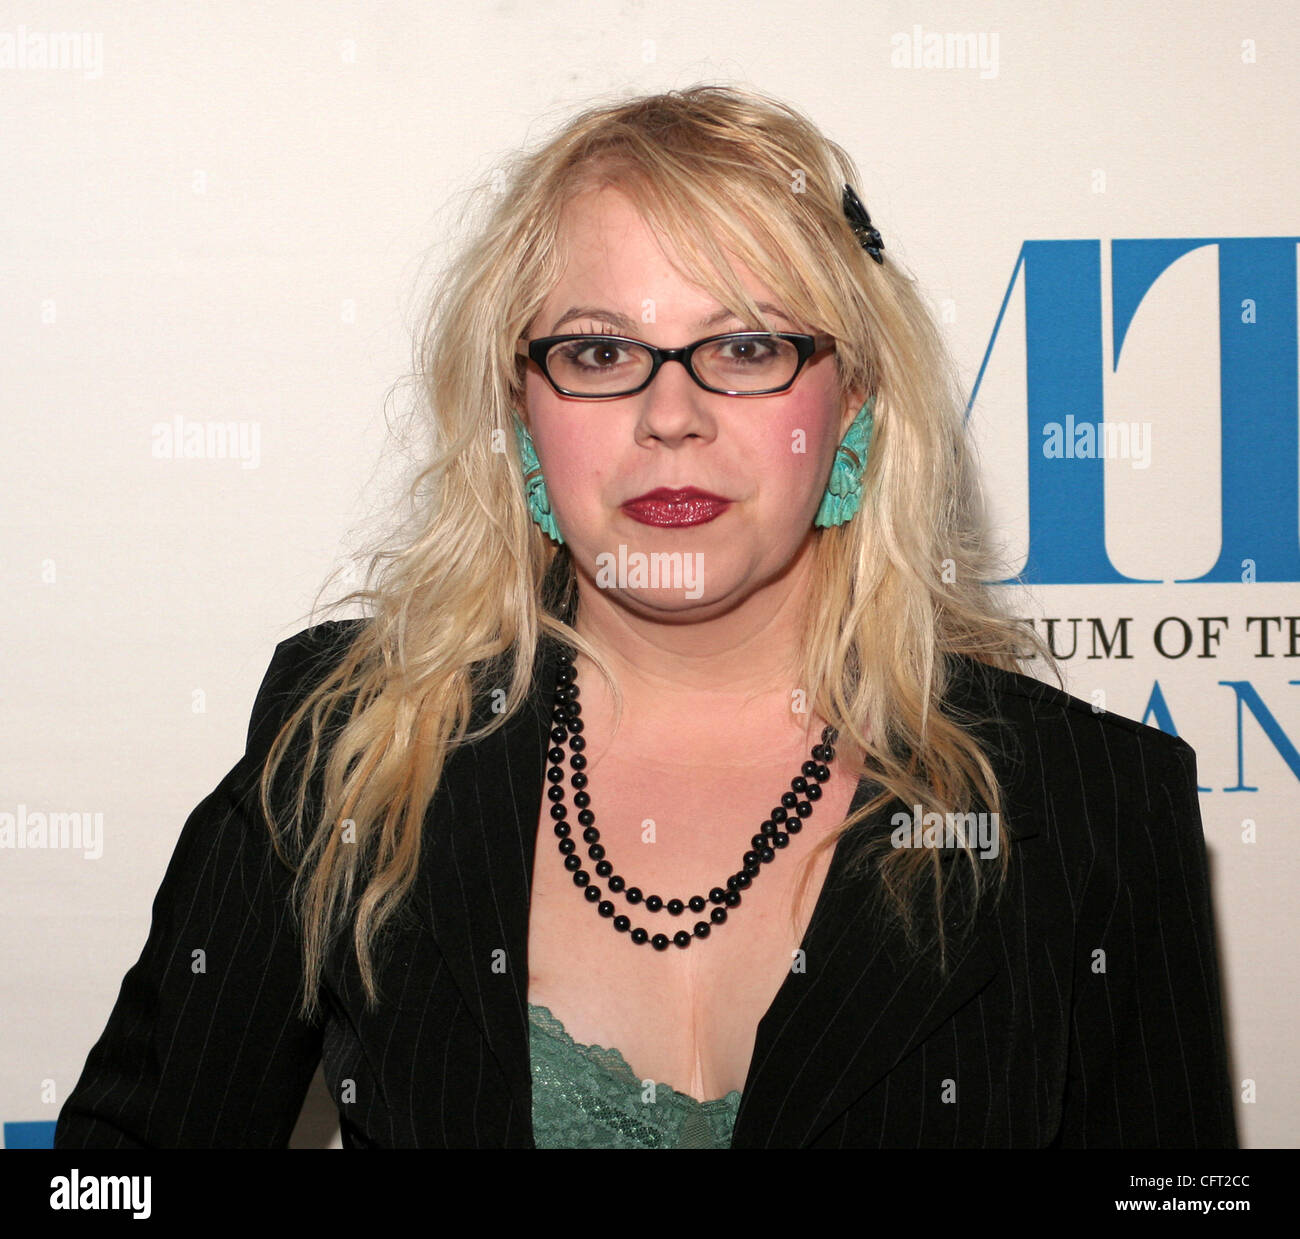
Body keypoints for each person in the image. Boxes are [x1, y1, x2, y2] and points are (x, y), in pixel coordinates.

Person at [54, 84, 1236, 1149]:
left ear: (854, 414)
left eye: (746, 345)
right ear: (522, 422)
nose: (671, 412)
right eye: (601, 350)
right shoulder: (350, 744)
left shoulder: (1092, 805)